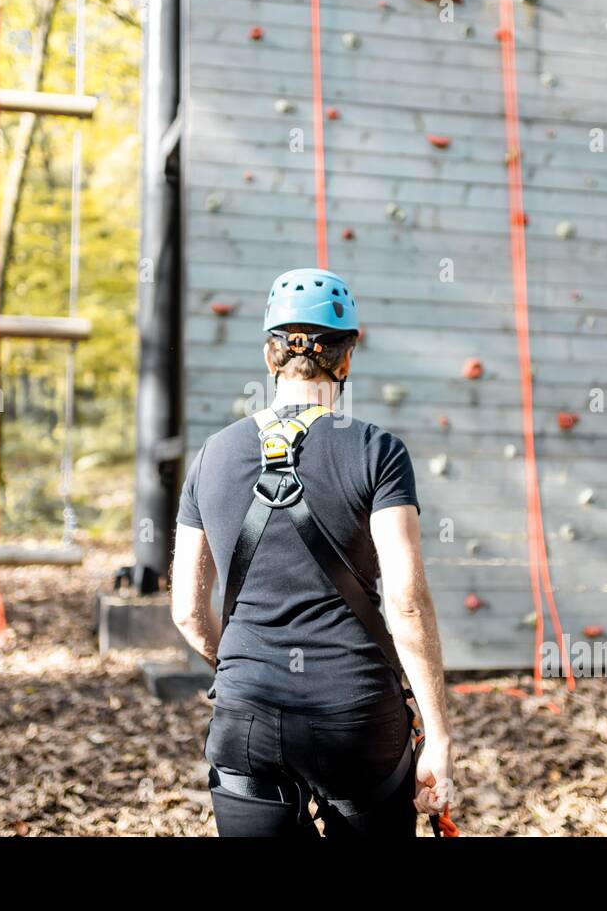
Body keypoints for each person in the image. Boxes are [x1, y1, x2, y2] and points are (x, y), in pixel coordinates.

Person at [171, 267, 454, 837]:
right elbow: (406, 603)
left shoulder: (212, 455)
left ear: (271, 357)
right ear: (345, 360)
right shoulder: (378, 451)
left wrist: (244, 669)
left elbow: (186, 610)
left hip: (247, 715)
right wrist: (439, 732)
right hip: (356, 715)